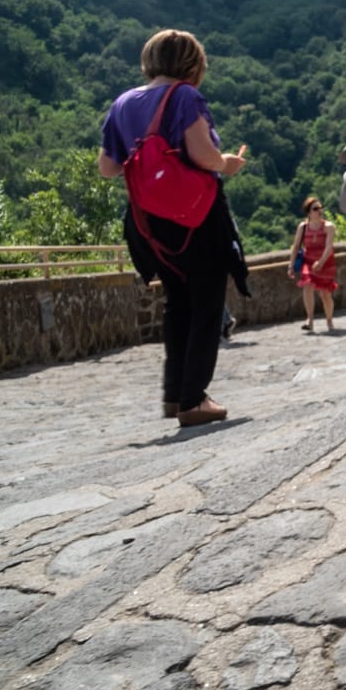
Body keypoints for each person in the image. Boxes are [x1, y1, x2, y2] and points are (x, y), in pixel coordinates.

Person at [97, 29, 249, 428]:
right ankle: (193, 400)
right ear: (193, 65)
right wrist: (226, 163)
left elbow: (108, 168)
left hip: (148, 223)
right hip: (196, 218)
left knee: (177, 302)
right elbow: (202, 154)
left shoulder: (123, 103)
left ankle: (173, 395)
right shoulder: (184, 96)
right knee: (206, 303)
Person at [287, 196, 339, 334]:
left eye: (321, 208)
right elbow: (296, 246)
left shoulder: (329, 227)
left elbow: (329, 247)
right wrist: (291, 265)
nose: (319, 210)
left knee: (325, 294)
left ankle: (329, 320)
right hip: (308, 262)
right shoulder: (303, 227)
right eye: (316, 208)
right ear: (308, 212)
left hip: (326, 263)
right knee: (307, 286)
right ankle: (309, 320)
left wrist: (321, 262)